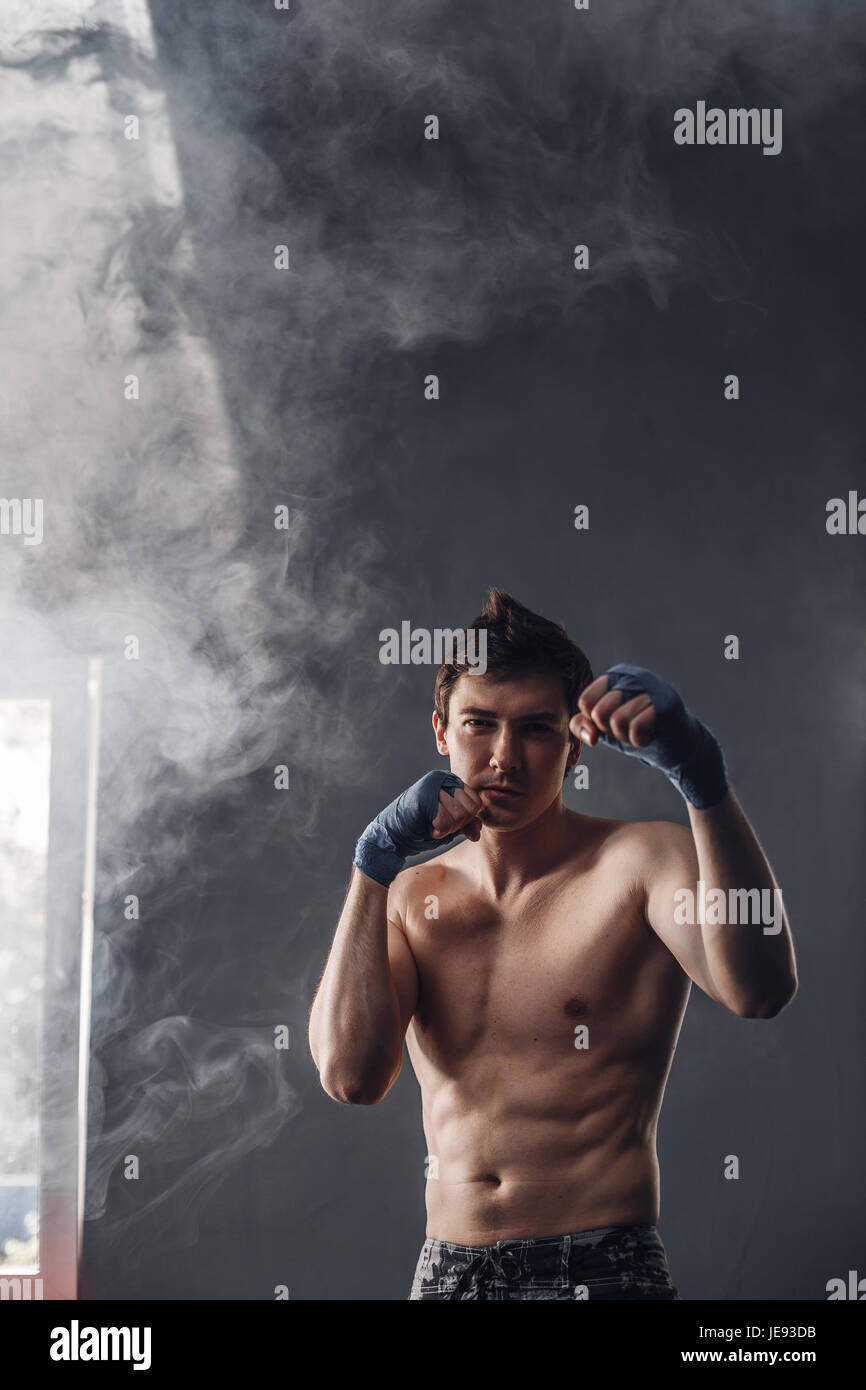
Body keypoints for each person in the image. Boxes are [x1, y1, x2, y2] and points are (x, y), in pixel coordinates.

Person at [308, 589, 798, 1300]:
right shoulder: (413, 899)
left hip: (599, 1269)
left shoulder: (638, 864)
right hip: (449, 1273)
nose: (505, 757)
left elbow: (760, 989)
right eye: (481, 724)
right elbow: (349, 1077)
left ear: (574, 744)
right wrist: (370, 866)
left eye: (537, 729)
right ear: (442, 731)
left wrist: (703, 781)